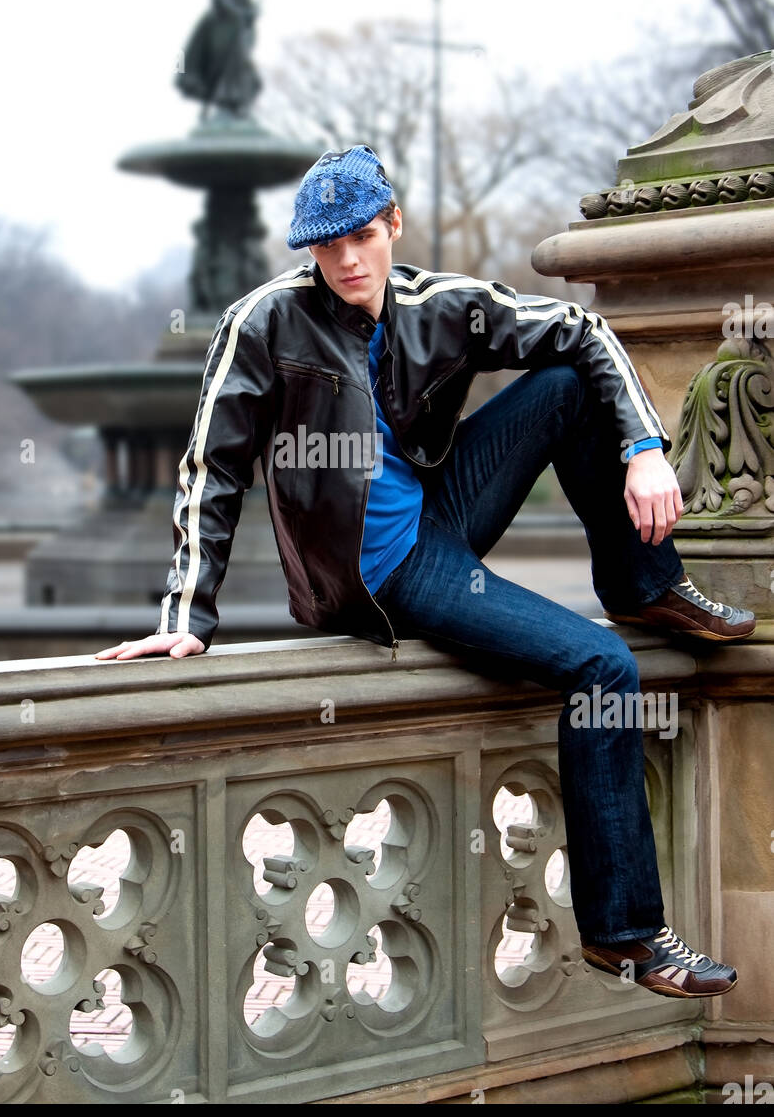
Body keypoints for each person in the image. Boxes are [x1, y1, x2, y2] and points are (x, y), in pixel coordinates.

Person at [97, 144, 754, 999]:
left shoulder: (443, 306)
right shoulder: (262, 323)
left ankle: (642, 585)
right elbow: (208, 470)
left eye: (361, 238)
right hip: (383, 574)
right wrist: (187, 614)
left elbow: (586, 330)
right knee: (601, 666)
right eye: (325, 246)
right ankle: (624, 935)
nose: (344, 261)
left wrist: (641, 448)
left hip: (442, 513)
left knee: (567, 383)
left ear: (392, 225)